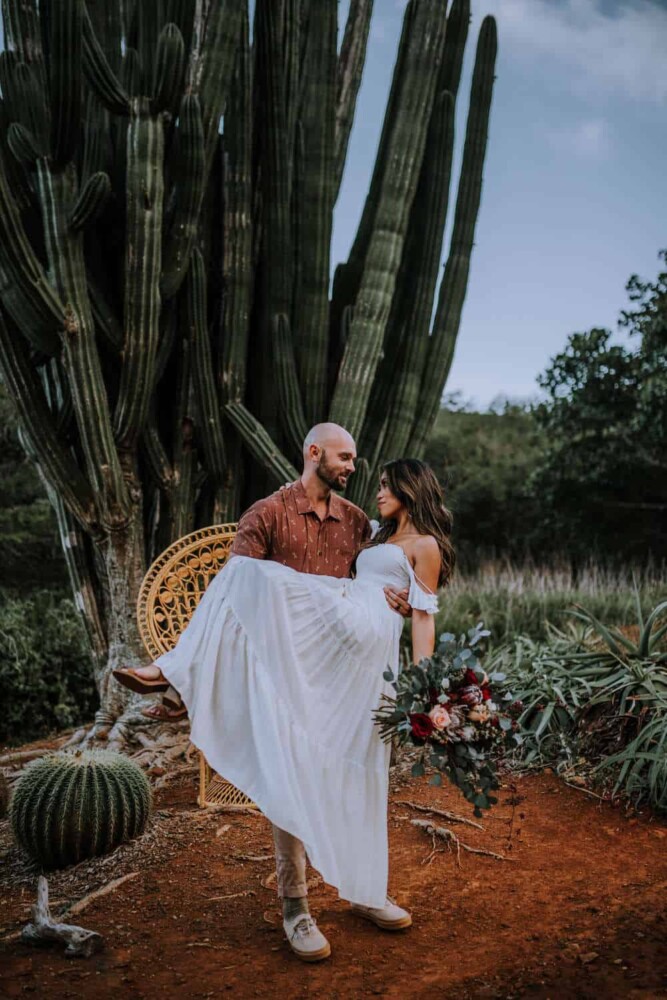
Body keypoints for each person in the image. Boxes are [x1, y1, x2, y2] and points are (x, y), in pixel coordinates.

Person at [114, 428, 455, 962]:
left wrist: (423, 684)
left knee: (361, 772)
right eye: (348, 459)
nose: (365, 479)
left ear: (411, 491)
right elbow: (239, 593)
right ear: (313, 453)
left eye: (383, 482)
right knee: (244, 577)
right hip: (296, 658)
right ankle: (295, 907)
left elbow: (425, 617)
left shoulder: (368, 528)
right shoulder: (278, 514)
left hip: (360, 661)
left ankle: (365, 889)